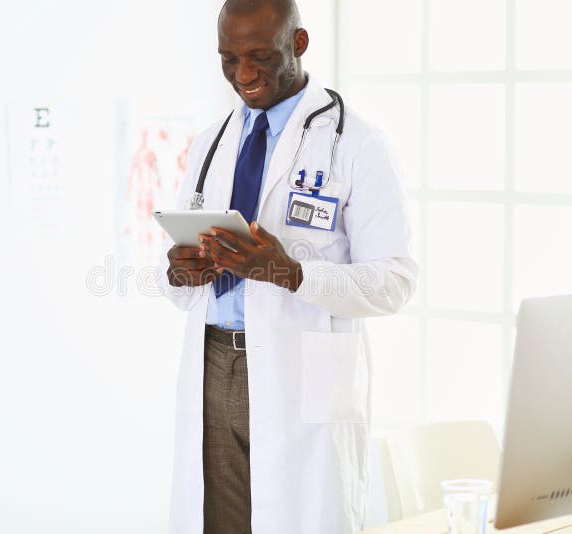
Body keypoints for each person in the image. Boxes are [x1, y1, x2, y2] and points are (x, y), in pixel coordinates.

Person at [156, 1, 417, 532]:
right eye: (229, 59)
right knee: (221, 520)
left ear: (298, 45)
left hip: (304, 369)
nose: (244, 75)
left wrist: (289, 272)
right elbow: (187, 276)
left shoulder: (357, 144)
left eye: (260, 56)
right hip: (215, 363)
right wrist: (179, 273)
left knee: (300, 516)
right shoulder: (212, 142)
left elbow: (395, 281)